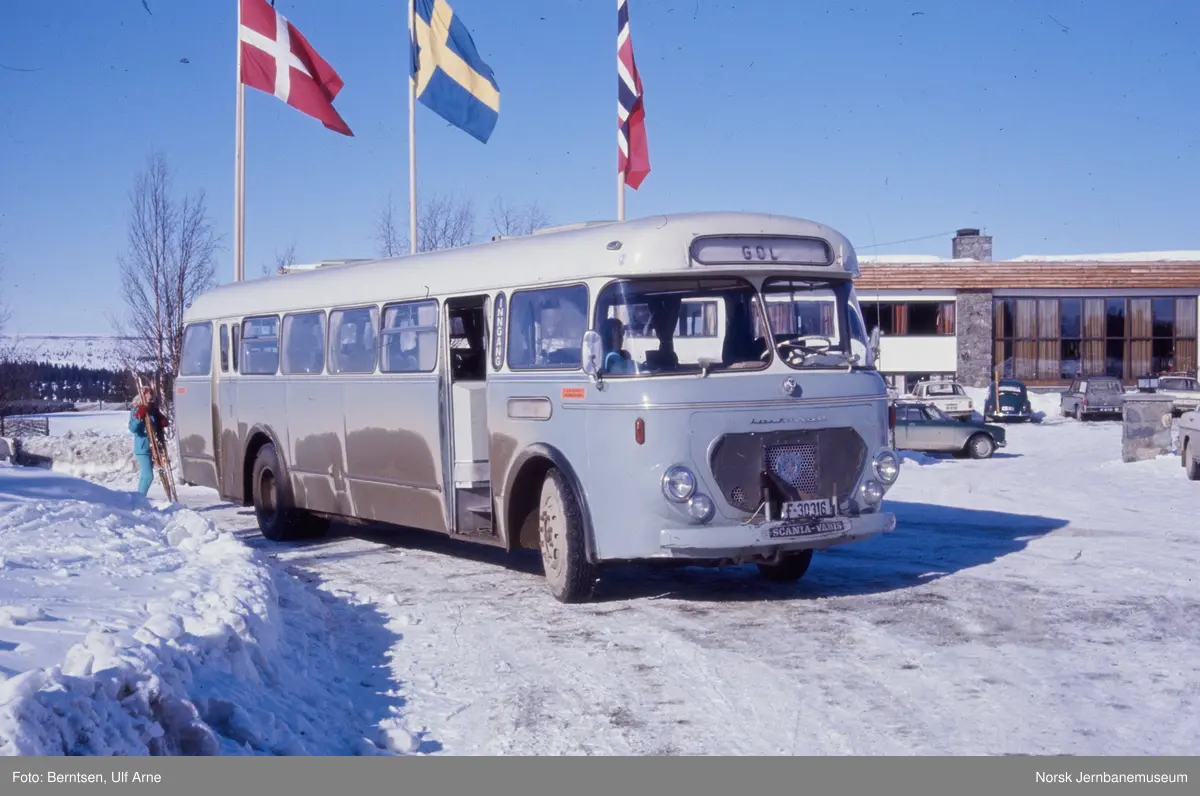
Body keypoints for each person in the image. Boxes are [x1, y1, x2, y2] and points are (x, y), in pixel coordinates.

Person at [129, 384, 169, 496]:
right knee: (148, 476)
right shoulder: (137, 410)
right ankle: (140, 498)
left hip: (154, 447)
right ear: (143, 396)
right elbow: (132, 428)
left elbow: (159, 425)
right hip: (143, 447)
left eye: (152, 394)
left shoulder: (153, 411)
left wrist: (162, 421)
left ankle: (139, 496)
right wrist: (139, 417)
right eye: (148, 394)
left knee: (145, 475)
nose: (150, 396)